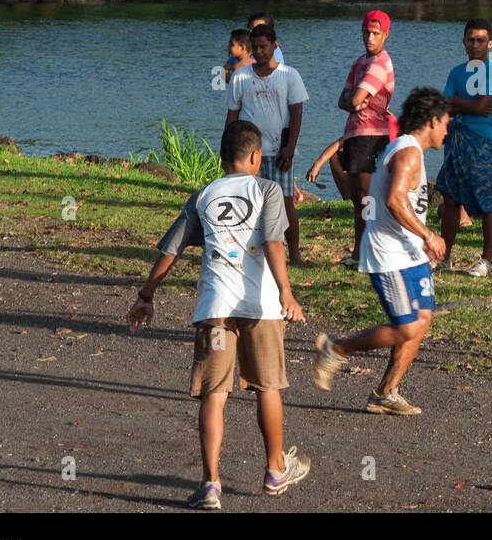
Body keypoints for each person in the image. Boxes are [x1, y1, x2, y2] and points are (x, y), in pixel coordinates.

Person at [126, 120, 310, 510]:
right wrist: (286, 293)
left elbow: (170, 251)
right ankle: (276, 469)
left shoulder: (203, 195)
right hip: (261, 308)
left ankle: (210, 484)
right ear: (256, 156)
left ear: (223, 157)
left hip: (215, 310)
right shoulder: (267, 190)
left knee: (214, 393)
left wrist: (146, 295)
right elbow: (274, 242)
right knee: (267, 386)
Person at [311, 87, 451, 415]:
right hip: (389, 255)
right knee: (407, 326)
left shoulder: (409, 149)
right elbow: (394, 199)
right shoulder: (408, 152)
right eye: (445, 123)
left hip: (408, 251)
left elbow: (403, 205)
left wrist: (419, 242)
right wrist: (428, 235)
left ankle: (384, 392)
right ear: (431, 121)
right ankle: (337, 348)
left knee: (422, 319)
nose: (447, 130)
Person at [225, 25, 307, 265]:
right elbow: (232, 116)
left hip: (279, 151)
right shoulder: (241, 77)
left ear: (275, 45)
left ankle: (294, 254)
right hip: (248, 154)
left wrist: (290, 147)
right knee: (248, 203)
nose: (259, 52)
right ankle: (246, 252)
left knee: (285, 203)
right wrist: (228, 150)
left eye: (264, 47)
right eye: (255, 48)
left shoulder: (289, 75)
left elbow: (296, 113)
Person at [435, 18, 492, 277]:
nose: (475, 44)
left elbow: (482, 105)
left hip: (480, 140)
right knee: (451, 198)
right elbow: (447, 104)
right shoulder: (456, 72)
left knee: (486, 200)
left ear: (490, 43)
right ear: (464, 41)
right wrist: (469, 104)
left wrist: (458, 103)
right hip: (454, 139)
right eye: (470, 39)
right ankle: (444, 257)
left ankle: (487, 261)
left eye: (480, 40)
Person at [337, 10, 396, 267]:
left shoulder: (380, 62)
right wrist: (353, 102)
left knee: (368, 197)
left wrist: (354, 101)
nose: (369, 38)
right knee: (359, 199)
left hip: (372, 135)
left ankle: (369, 252)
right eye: (366, 33)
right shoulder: (359, 62)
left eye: (375, 33)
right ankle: (360, 252)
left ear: (385, 35)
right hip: (355, 133)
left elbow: (355, 98)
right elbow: (344, 100)